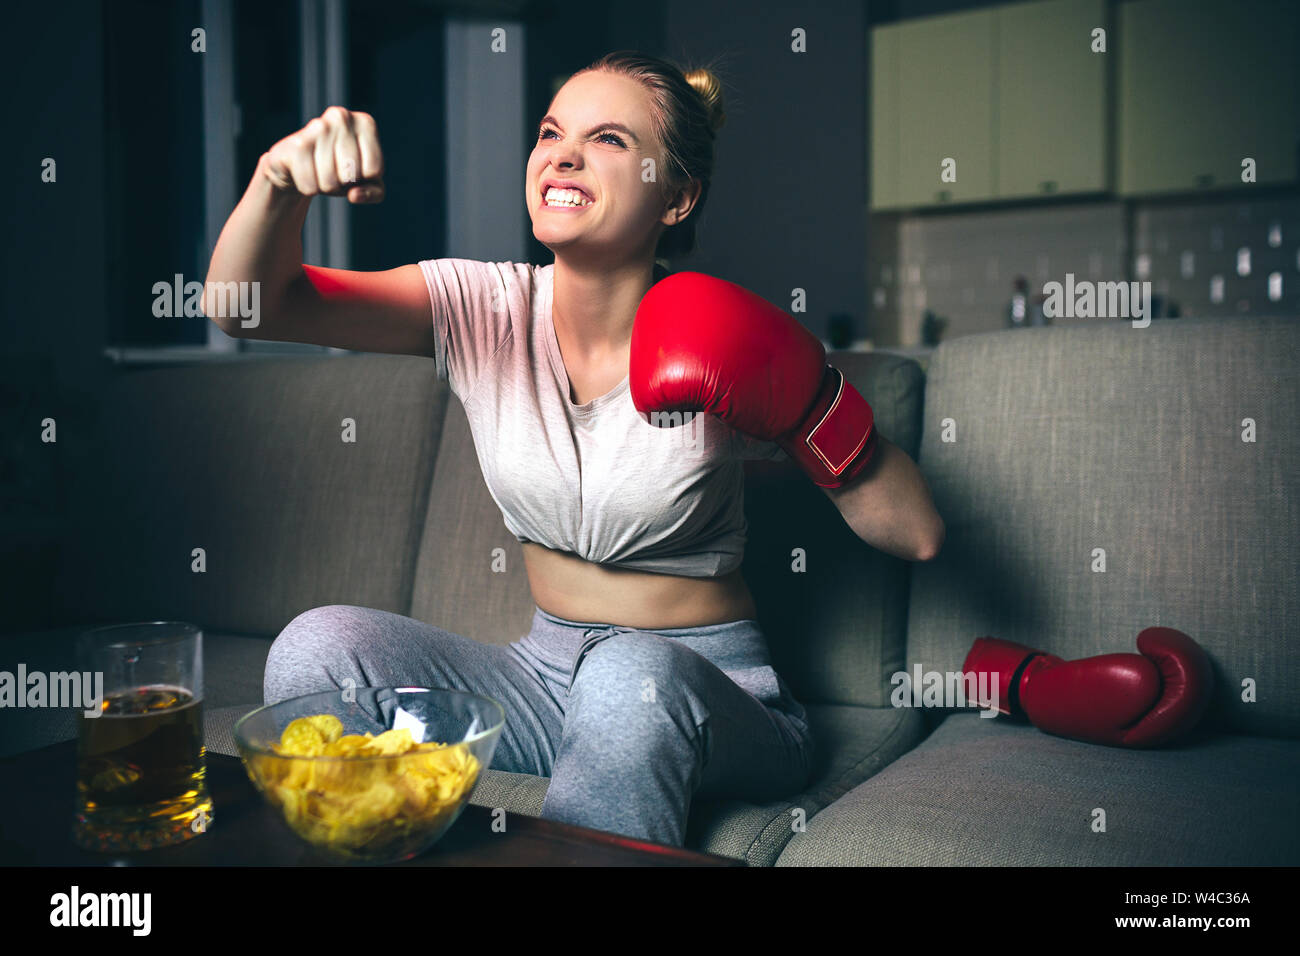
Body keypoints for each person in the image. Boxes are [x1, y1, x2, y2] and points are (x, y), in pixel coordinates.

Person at [202, 50, 945, 847]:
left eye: (608, 140)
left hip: (705, 688)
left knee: (627, 681)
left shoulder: (717, 334)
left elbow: (919, 535)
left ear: (677, 196)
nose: (561, 155)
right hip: (540, 680)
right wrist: (277, 182)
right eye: (551, 133)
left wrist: (810, 403)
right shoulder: (482, 307)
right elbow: (246, 307)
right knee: (317, 647)